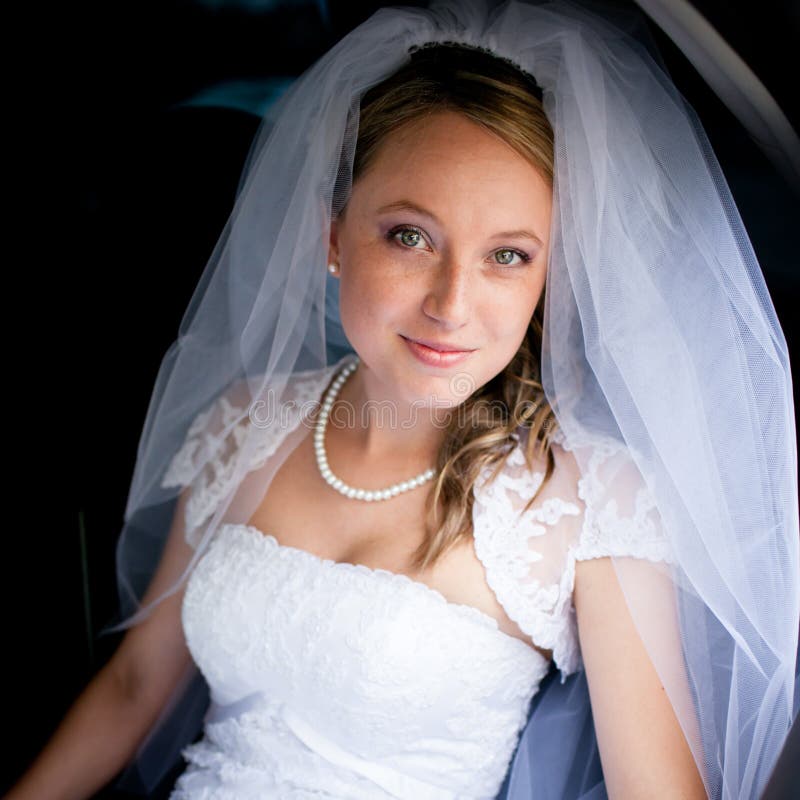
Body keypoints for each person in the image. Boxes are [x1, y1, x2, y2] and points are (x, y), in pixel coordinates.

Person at [8, 0, 798, 798]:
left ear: (549, 276)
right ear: (332, 238)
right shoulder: (246, 424)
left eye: (507, 256)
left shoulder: (590, 498)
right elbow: (135, 685)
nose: (452, 304)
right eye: (410, 237)